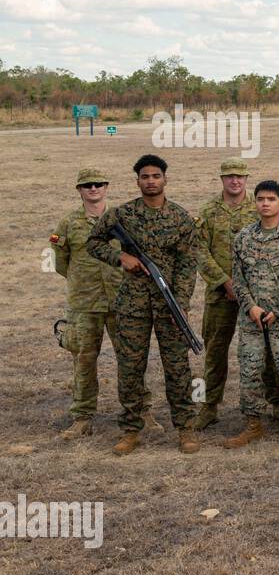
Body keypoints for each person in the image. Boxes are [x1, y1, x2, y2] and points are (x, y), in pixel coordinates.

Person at [85, 154, 201, 455]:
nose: (151, 181)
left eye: (156, 176)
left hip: (168, 303)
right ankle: (130, 430)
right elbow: (93, 242)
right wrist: (120, 257)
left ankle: (185, 427)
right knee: (130, 368)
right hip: (132, 304)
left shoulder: (180, 218)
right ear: (137, 181)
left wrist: (182, 303)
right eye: (145, 177)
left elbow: (188, 264)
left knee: (177, 367)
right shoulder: (121, 214)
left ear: (165, 179)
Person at [50, 168, 157, 438]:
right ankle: (82, 418)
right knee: (84, 360)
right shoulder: (68, 223)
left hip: (122, 300)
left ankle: (142, 412)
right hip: (85, 304)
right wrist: (82, 281)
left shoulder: (122, 220)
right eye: (87, 185)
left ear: (106, 187)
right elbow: (61, 263)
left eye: (98, 184)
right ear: (79, 190)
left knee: (131, 359)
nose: (93, 188)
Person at [192, 158, 279, 430]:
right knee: (215, 351)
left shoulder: (259, 207)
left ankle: (276, 402)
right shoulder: (208, 211)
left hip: (256, 295)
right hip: (220, 295)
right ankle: (208, 406)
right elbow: (199, 250)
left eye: (239, 176)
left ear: (246, 179)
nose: (235, 181)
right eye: (229, 176)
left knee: (266, 349)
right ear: (222, 179)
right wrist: (224, 281)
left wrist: (245, 287)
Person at [224, 180, 279, 449]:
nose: (265, 204)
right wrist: (251, 306)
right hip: (251, 320)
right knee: (250, 372)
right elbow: (238, 279)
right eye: (261, 199)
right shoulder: (244, 237)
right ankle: (253, 424)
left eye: (271, 199)